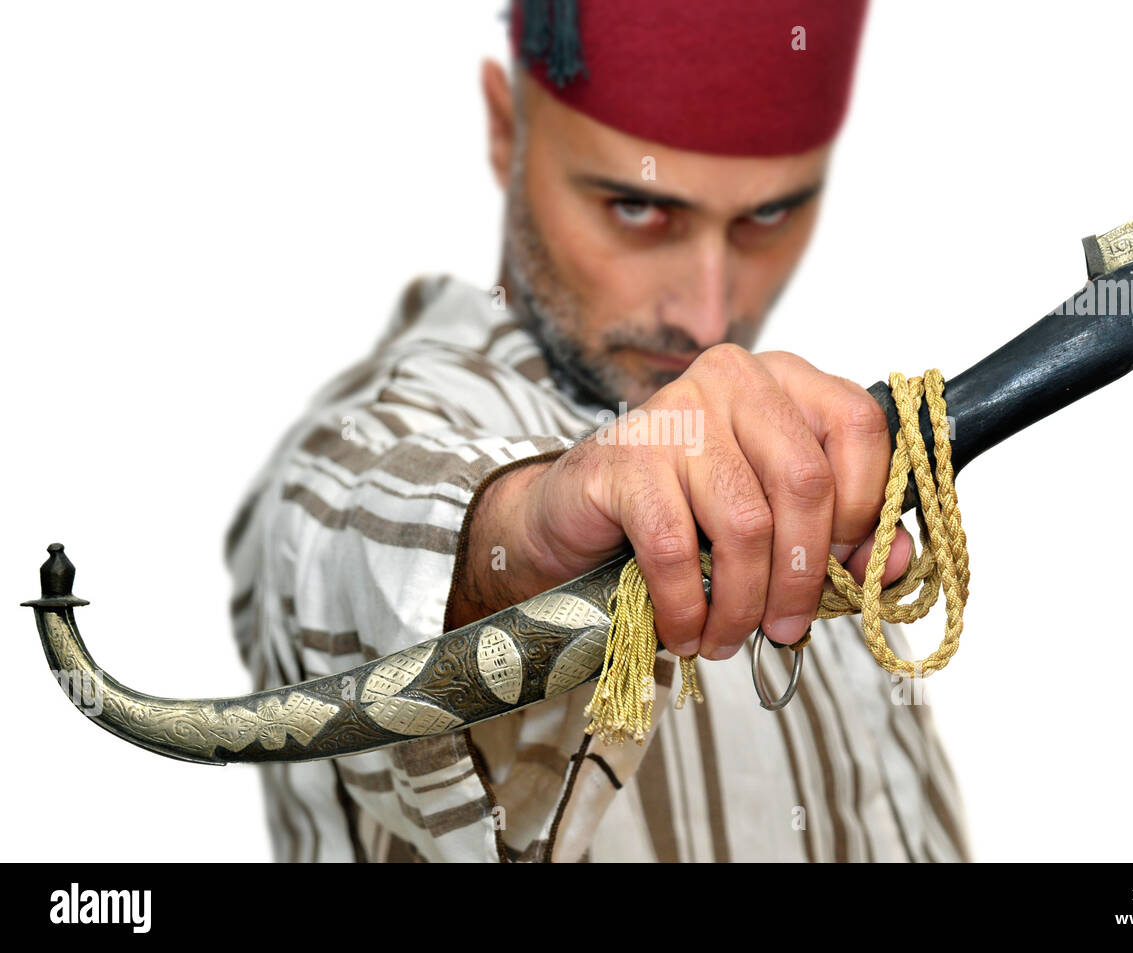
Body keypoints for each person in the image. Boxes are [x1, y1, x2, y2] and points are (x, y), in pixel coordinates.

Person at [225, 0, 968, 862]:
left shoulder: (791, 473)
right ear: (509, 131)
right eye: (637, 208)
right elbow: (339, 536)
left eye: (766, 217)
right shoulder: (374, 427)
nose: (709, 312)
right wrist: (523, 534)